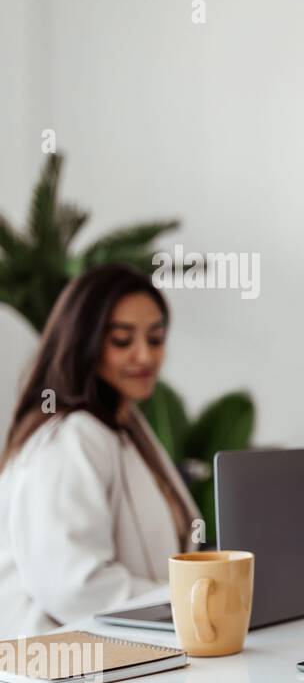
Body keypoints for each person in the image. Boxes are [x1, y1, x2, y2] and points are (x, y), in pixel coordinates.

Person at [0, 264, 199, 637]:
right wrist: (186, 597)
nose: (145, 356)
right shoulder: (70, 438)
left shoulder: (124, 427)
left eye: (155, 339)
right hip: (61, 669)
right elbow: (72, 583)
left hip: (126, 653)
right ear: (84, 342)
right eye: (122, 340)